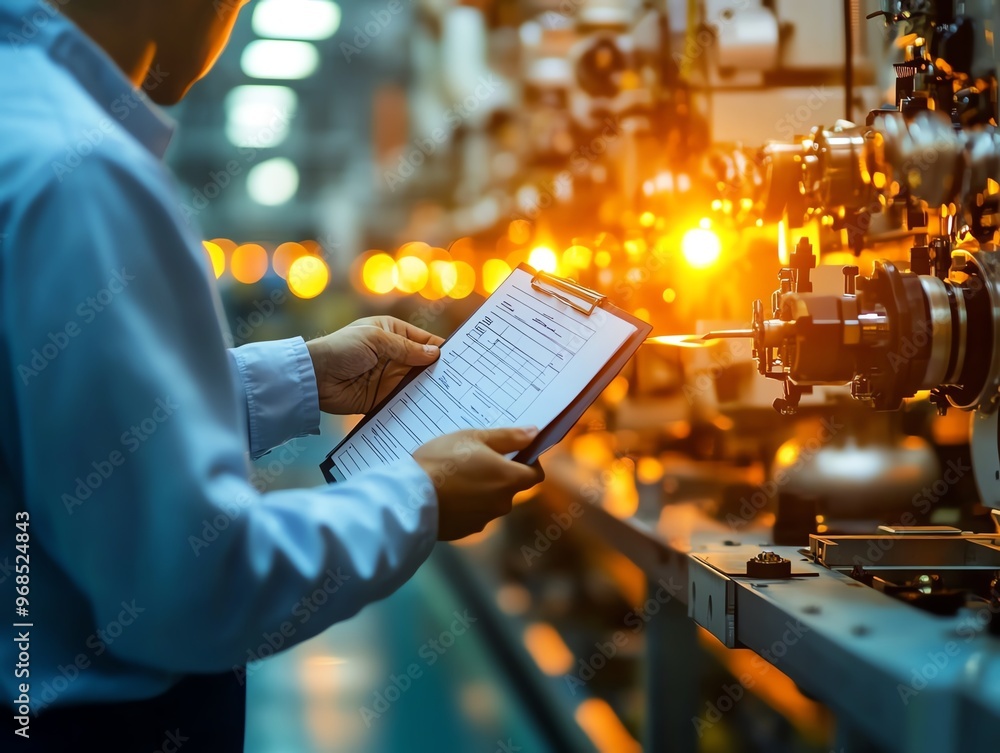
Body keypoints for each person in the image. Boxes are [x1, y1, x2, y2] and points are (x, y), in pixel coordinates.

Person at [0, 0, 543, 749]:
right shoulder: (81, 174)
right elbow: (194, 586)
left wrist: (302, 374)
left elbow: (60, 418)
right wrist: (417, 496)